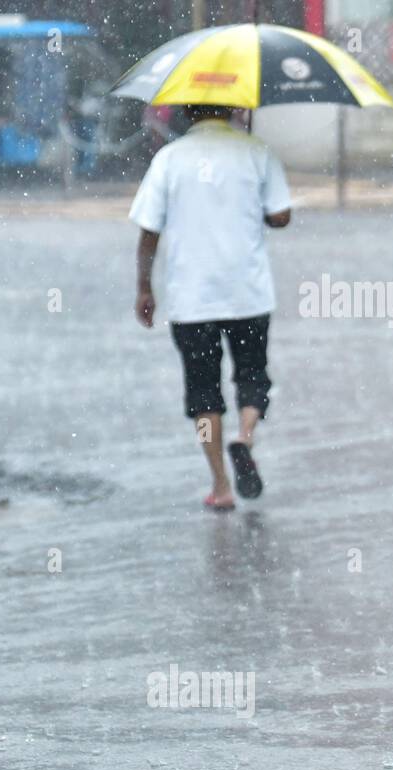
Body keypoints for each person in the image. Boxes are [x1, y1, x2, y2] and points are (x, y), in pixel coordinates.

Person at [130, 104, 292, 511]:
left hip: (192, 297)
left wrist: (144, 288)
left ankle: (220, 484)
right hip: (247, 293)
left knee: (204, 395)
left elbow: (149, 230)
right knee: (253, 376)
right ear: (233, 108)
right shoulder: (256, 151)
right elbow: (282, 215)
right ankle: (246, 435)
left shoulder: (169, 159)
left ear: (188, 111)